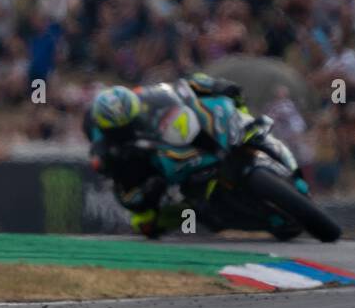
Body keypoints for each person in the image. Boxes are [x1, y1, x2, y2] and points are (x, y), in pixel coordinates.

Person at [83, 73, 245, 237]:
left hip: (166, 141)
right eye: (124, 126)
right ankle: (191, 217)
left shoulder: (139, 98)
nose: (129, 126)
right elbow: (98, 162)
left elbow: (175, 88)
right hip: (143, 166)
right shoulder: (101, 137)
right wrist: (112, 158)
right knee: (145, 223)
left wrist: (212, 85)